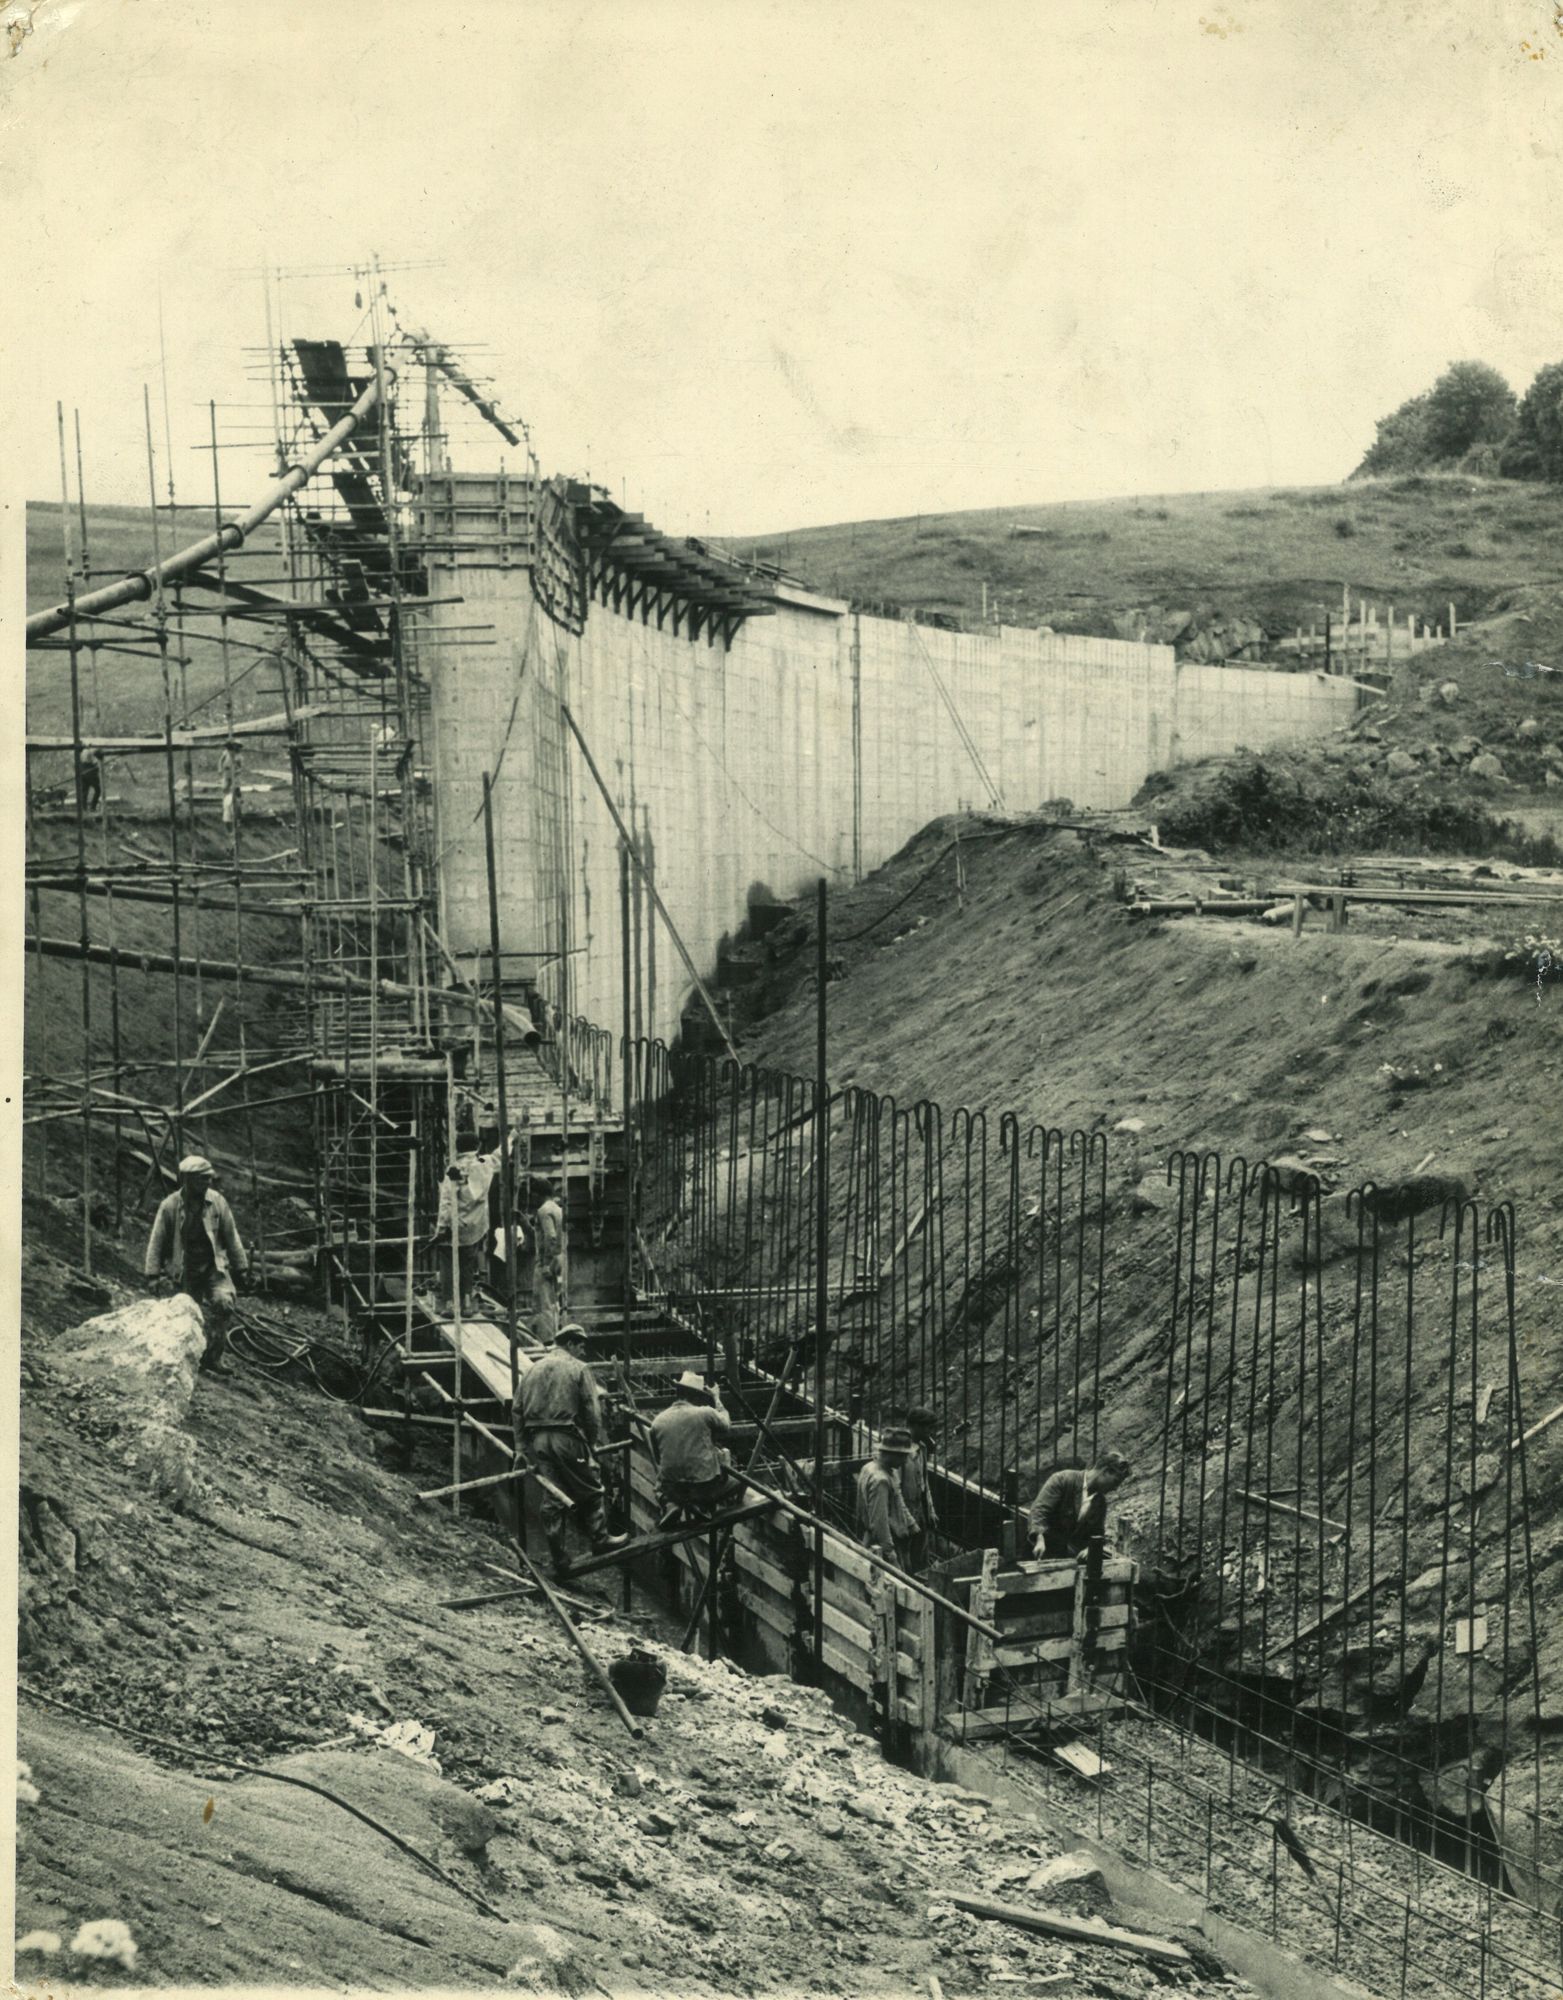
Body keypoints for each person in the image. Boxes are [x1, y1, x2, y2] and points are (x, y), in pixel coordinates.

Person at [514, 1323, 628, 1578]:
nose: (582, 1351)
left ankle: (559, 1557)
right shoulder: (579, 1369)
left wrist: (521, 1447)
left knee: (554, 1497)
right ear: (571, 1344)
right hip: (566, 1437)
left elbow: (517, 1410)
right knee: (591, 1484)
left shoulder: (532, 1369)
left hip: (538, 1440)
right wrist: (592, 1442)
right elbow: (591, 1409)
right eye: (581, 1346)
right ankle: (600, 1539)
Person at [144, 1154, 249, 1377]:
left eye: (209, 1178)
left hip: (213, 1267)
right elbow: (157, 1240)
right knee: (186, 1312)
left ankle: (213, 1358)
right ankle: (186, 1357)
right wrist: (152, 1274)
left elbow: (232, 1235)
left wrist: (242, 1267)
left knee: (224, 1302)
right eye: (202, 1179)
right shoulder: (170, 1206)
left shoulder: (217, 1202)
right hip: (184, 1268)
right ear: (187, 1180)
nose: (208, 1183)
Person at [650, 1371, 740, 1520]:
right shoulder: (704, 1413)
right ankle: (700, 1505)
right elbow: (726, 1424)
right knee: (739, 1481)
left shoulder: (657, 1421)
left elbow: (658, 1459)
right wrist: (717, 1398)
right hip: (703, 1488)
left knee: (659, 1488)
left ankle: (670, 1505)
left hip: (673, 1489)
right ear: (697, 1397)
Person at [432, 1134, 500, 1317]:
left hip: (455, 1224)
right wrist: (512, 1138)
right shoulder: (485, 1164)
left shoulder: (454, 1169)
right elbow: (499, 1156)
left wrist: (441, 1227)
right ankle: (467, 1303)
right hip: (474, 1226)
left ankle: (449, 1304)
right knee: (468, 1264)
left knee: (448, 1263)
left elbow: (446, 1200)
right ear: (477, 1146)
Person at [1028, 1451, 1132, 1560]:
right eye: (1115, 1482)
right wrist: (1039, 1538)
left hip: (1068, 1561)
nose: (1115, 1488)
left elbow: (1097, 1533)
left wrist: (1091, 1548)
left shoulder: (1100, 1502)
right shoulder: (1063, 1480)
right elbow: (1039, 1511)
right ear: (1106, 1471)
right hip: (1039, 1554)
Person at [855, 1424, 917, 1569]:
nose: (905, 1461)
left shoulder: (875, 1468)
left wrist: (911, 1523)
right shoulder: (880, 1481)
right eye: (903, 1456)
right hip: (882, 1545)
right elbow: (879, 1522)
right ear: (892, 1454)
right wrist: (890, 1555)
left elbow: (898, 1499)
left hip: (889, 1539)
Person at [899, 1405, 941, 1571]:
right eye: (927, 1427)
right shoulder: (901, 1452)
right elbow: (896, 1492)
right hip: (903, 1511)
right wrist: (908, 1520)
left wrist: (930, 1510)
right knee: (905, 1555)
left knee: (921, 1554)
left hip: (919, 1510)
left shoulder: (922, 1449)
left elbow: (924, 1483)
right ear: (915, 1426)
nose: (930, 1432)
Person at [532, 1177, 567, 1340]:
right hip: (559, 1258)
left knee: (543, 1302)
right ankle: (556, 1334)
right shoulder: (558, 1209)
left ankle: (547, 1339)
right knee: (554, 1301)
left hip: (547, 1261)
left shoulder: (543, 1211)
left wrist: (546, 1263)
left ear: (538, 1194)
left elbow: (550, 1236)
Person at [219, 741, 243, 828]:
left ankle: (237, 819)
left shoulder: (239, 756)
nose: (231, 750)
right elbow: (221, 761)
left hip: (235, 779)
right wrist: (220, 769)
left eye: (234, 748)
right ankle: (227, 819)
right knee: (227, 798)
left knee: (236, 799)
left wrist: (235, 772)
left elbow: (240, 768)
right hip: (226, 776)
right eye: (230, 749)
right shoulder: (226, 753)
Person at [78, 748, 103, 813]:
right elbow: (96, 760)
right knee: (98, 790)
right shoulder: (92, 751)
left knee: (84, 792)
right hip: (90, 772)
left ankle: (84, 809)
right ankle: (92, 807)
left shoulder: (82, 752)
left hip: (83, 772)